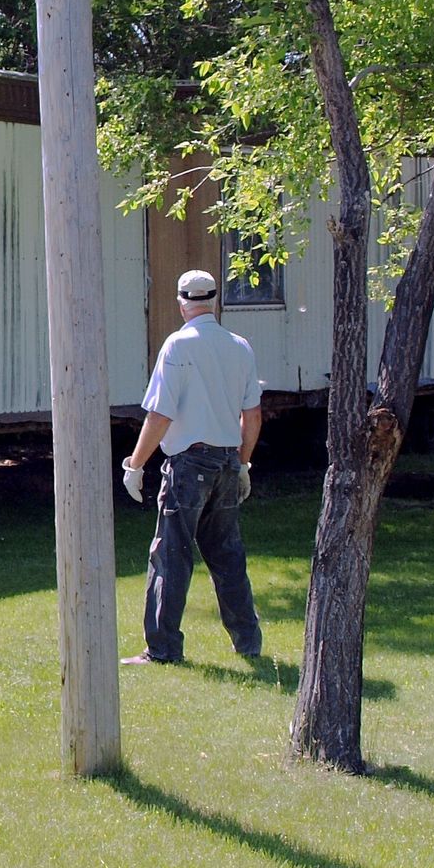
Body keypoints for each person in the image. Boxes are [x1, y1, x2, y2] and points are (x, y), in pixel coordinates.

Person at [120, 267, 264, 666]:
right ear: (214, 301)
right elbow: (252, 416)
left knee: (171, 555)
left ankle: (163, 649)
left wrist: (136, 464)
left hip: (188, 463)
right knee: (228, 555)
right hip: (227, 460)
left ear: (182, 303)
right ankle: (248, 643)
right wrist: (243, 463)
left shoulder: (177, 346)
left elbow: (160, 414)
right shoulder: (240, 346)